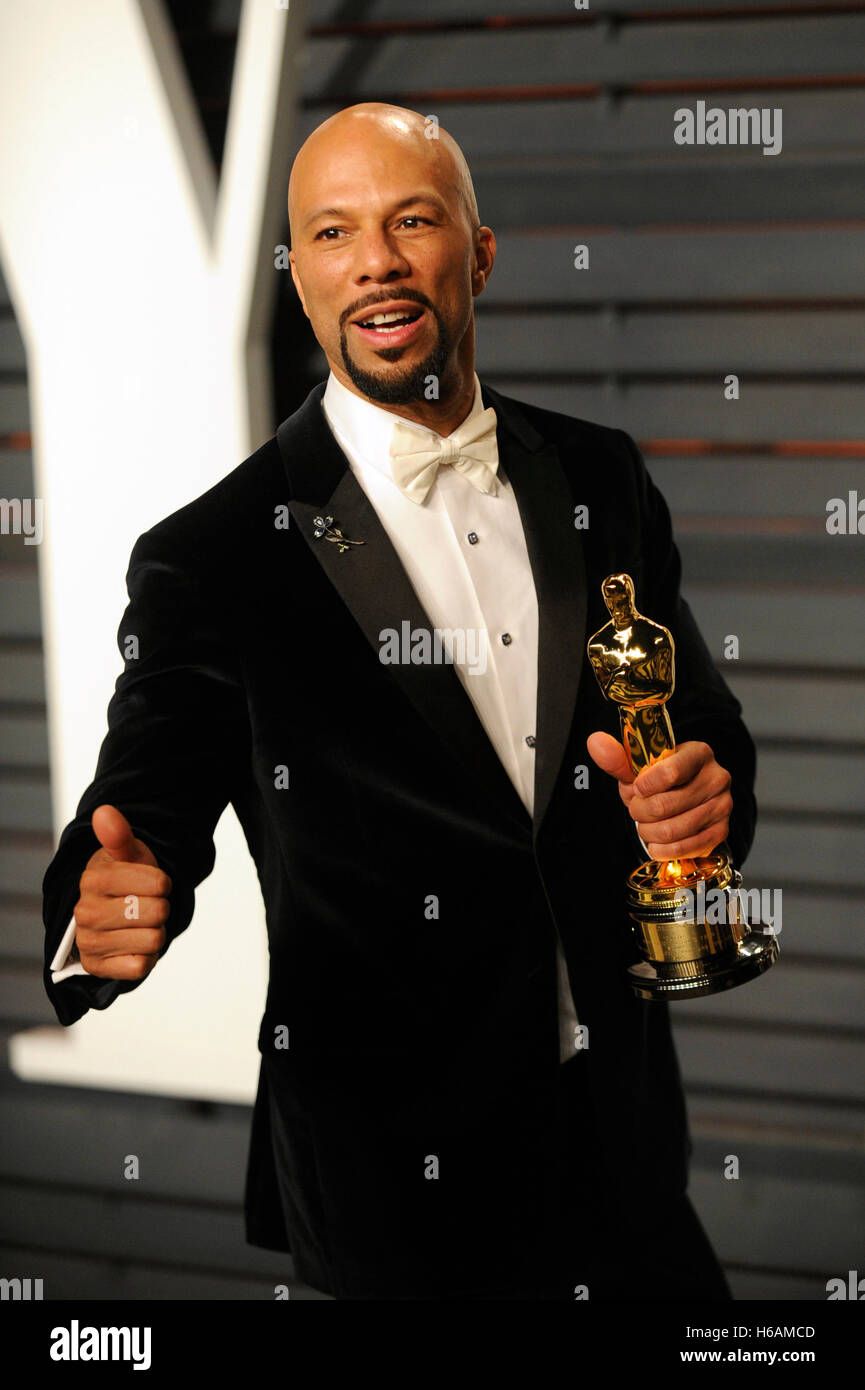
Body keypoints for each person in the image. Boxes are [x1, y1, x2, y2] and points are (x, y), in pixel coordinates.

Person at [42, 103, 754, 1301]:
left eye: (409, 219)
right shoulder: (215, 554)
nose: (372, 257)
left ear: (475, 252)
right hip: (399, 1201)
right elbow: (138, 810)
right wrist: (97, 909)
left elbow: (694, 723)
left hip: (622, 1150)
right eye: (331, 233)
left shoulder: (597, 472)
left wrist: (703, 794)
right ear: (300, 275)